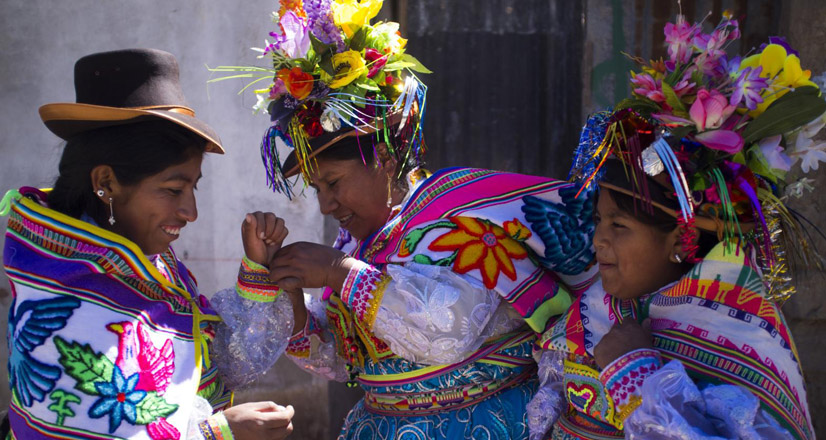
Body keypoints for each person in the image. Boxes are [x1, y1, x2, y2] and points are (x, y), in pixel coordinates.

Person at [212, 1, 597, 438]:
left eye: (333, 182)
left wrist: (338, 271)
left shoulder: (458, 218)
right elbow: (343, 359)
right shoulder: (358, 244)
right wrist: (294, 299)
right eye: (317, 189)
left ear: (385, 157)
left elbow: (447, 331)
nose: (325, 205)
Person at [527, 15, 820, 440]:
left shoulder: (742, 338)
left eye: (619, 225)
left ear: (683, 238)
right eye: (599, 220)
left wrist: (634, 372)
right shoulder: (596, 307)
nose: (599, 238)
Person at [1, 49, 295, 440]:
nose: (191, 212)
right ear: (106, 183)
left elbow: (206, 361)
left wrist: (257, 272)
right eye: (173, 189)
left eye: (193, 188)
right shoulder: (67, 295)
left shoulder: (144, 264)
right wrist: (219, 433)